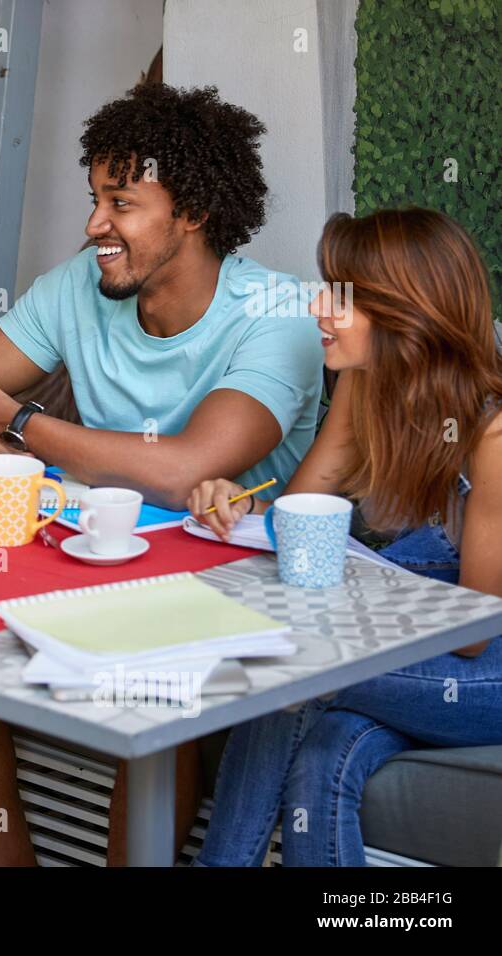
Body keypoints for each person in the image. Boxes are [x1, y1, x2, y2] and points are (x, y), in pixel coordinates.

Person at [0, 83, 324, 865]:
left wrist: (12, 419)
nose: (94, 227)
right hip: (92, 555)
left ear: (191, 212)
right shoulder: (78, 288)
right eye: (94, 199)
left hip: (229, 580)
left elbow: (188, 470)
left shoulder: (276, 318)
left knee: (147, 685)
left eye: (120, 203)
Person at [189, 207, 502, 866]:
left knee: (287, 675)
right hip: (421, 643)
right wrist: (229, 498)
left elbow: (471, 631)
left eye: (344, 296)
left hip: (485, 674)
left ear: (404, 313)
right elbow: (297, 514)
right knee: (325, 755)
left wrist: (339, 627)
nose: (319, 307)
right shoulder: (365, 387)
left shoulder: (493, 438)